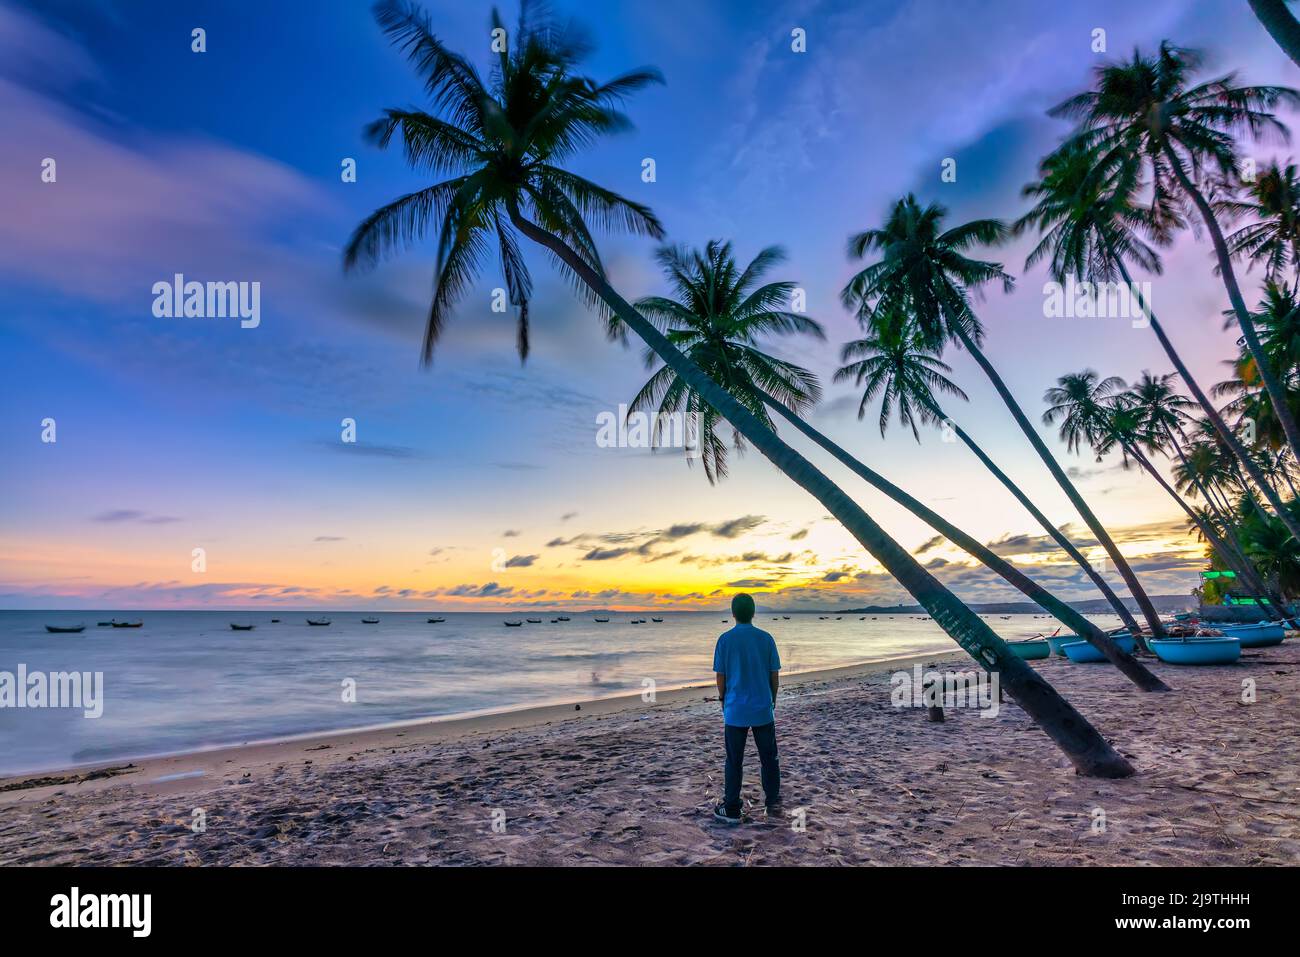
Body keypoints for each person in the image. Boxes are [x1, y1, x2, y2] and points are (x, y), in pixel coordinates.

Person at [712, 593, 781, 824]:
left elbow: (721, 677)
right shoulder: (766, 639)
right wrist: (773, 699)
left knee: (734, 760)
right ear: (753, 612)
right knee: (769, 758)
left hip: (735, 710)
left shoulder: (725, 640)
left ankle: (731, 807)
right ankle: (772, 800)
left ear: (733, 613)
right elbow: (774, 676)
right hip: (762, 707)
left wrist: (722, 699)